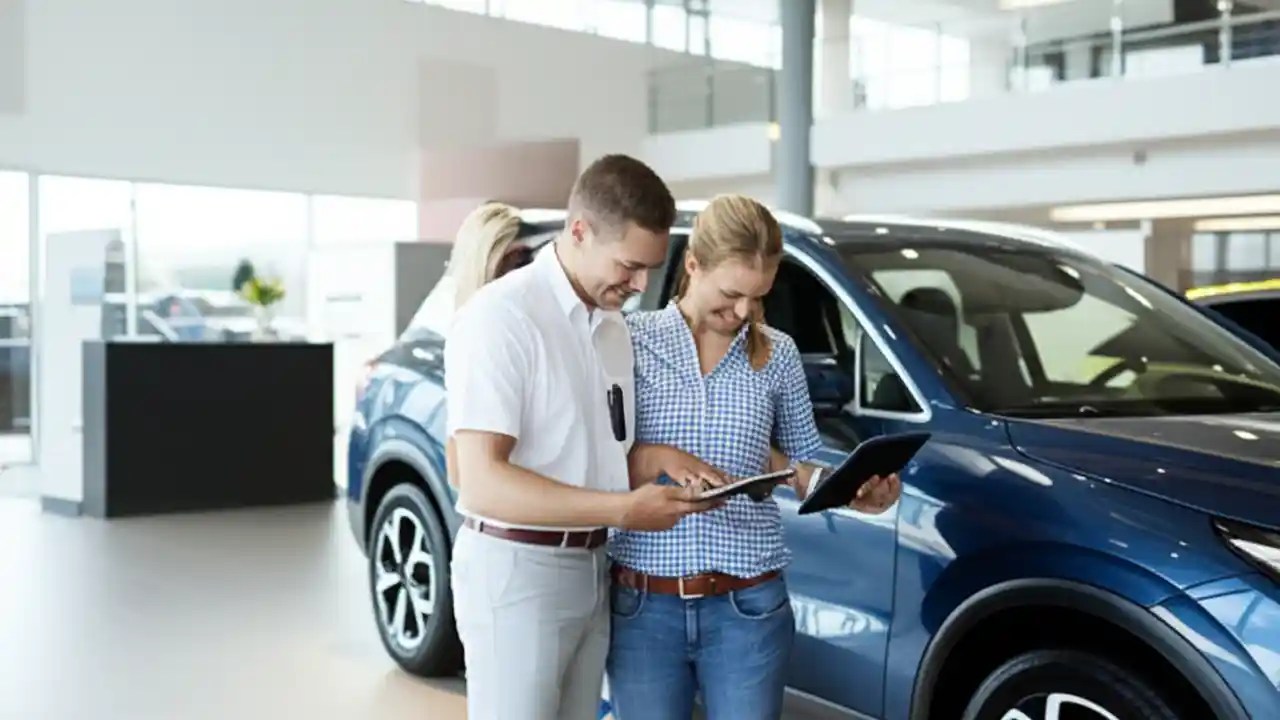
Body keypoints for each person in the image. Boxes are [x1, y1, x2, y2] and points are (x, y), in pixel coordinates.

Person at [444, 155, 725, 720]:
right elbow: (479, 481)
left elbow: (589, 455)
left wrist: (653, 462)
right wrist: (623, 510)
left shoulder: (612, 324)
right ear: (579, 231)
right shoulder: (502, 317)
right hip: (517, 574)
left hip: (592, 572)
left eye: (651, 268)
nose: (641, 284)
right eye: (629, 265)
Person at [605, 194, 903, 720]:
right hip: (643, 606)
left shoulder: (778, 353)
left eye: (757, 297)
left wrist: (851, 492)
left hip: (748, 609)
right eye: (731, 294)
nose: (743, 312)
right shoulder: (627, 341)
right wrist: (655, 456)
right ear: (693, 265)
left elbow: (802, 464)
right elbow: (595, 462)